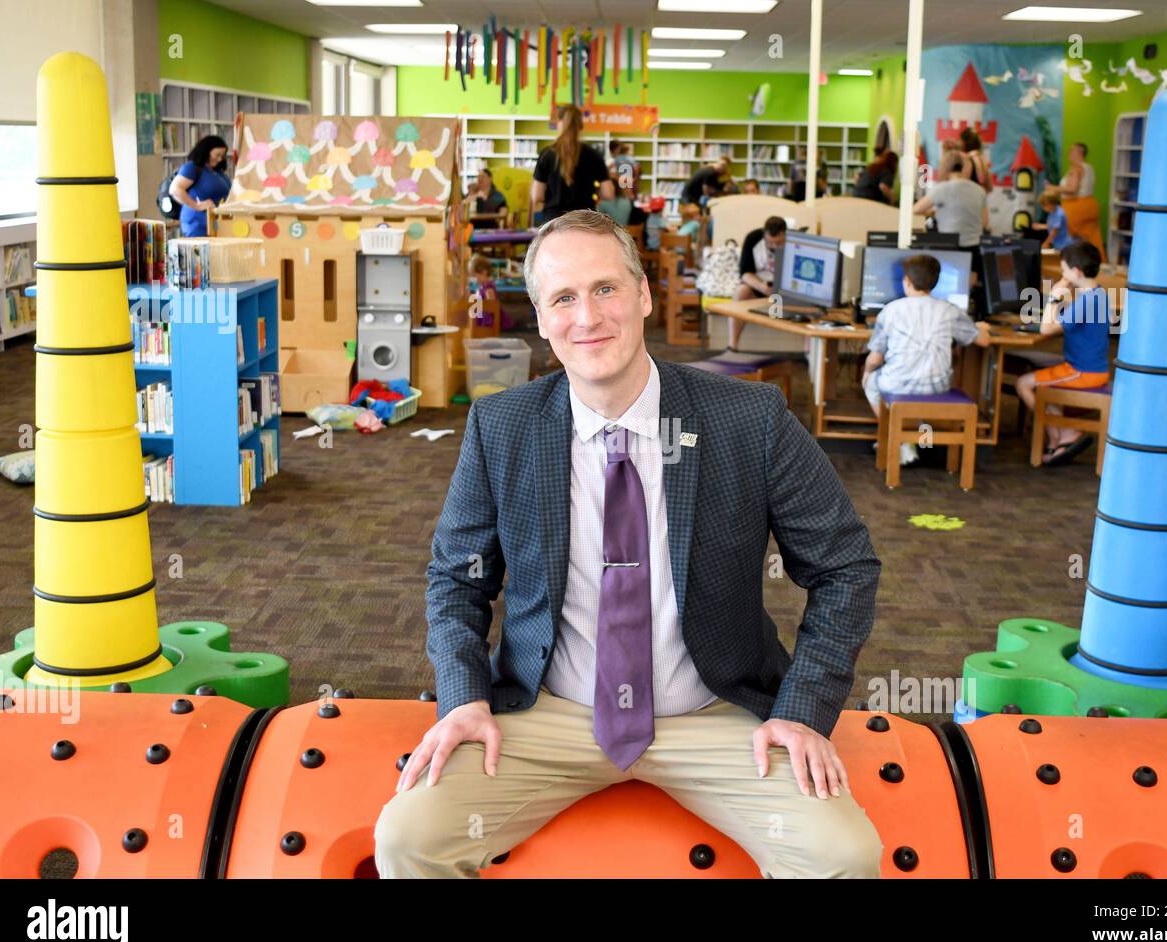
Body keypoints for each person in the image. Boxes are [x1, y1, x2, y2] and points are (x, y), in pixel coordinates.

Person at [373, 209, 883, 879]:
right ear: (541, 316)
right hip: (550, 709)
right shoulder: (503, 425)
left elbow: (846, 564)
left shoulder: (748, 420)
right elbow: (456, 579)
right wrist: (463, 694)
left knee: (845, 856)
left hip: (713, 710)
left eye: (606, 289)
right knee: (408, 836)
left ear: (643, 296)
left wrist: (805, 709)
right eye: (563, 297)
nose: (588, 315)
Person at [861, 254, 991, 466]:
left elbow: (875, 358)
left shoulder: (891, 310)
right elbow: (983, 341)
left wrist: (867, 373)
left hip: (897, 384)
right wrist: (981, 328)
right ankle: (918, 438)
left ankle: (899, 437)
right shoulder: (950, 310)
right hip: (937, 387)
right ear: (936, 282)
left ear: (907, 282)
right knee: (931, 377)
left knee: (871, 383)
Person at [1014, 240, 1111, 466]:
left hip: (1083, 372)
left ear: (1076, 272)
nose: (1063, 275)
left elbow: (1047, 328)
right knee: (1045, 379)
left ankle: (1065, 432)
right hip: (1087, 368)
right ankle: (1058, 434)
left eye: (1064, 270)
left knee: (1024, 383)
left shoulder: (1087, 301)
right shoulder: (1097, 294)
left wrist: (1055, 296)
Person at [530, 105, 609, 225]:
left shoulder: (547, 154)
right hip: (585, 220)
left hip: (554, 220)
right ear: (580, 126)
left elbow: (537, 196)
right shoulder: (593, 155)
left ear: (559, 123)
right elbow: (608, 193)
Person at [728, 215, 787, 349]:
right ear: (764, 234)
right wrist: (762, 287)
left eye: (779, 243)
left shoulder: (795, 242)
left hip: (785, 292)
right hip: (760, 286)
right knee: (740, 291)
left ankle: (809, 356)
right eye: (770, 242)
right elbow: (745, 273)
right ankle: (732, 347)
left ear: (785, 235)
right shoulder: (753, 238)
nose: (774, 247)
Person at [912, 149, 988, 248]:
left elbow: (915, 210)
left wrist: (933, 213)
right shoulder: (979, 190)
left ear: (945, 167)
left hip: (949, 248)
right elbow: (985, 223)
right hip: (975, 248)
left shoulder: (941, 189)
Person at [169, 135, 231, 238]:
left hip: (215, 224)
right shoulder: (192, 168)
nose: (220, 159)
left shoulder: (217, 171)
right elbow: (175, 189)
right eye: (217, 154)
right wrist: (196, 205)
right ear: (207, 151)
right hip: (198, 224)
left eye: (223, 155)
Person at [468, 254, 514, 332]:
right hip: (482, 313)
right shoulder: (482, 286)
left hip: (488, 319)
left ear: (484, 272)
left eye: (475, 276)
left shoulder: (488, 288)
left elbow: (492, 306)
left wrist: (487, 323)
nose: (474, 279)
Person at [1035, 187, 1073, 251]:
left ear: (1050, 204)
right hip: (1058, 244)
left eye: (1044, 205)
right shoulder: (1052, 212)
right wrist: (1041, 226)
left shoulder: (1059, 214)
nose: (1042, 208)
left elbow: (1054, 232)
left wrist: (1045, 244)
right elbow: (1052, 225)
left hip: (1064, 245)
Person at [958, 128, 993, 192]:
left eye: (959, 140)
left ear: (964, 142)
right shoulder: (981, 158)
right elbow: (989, 188)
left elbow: (961, 186)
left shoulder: (967, 159)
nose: (958, 142)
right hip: (977, 198)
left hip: (968, 198)